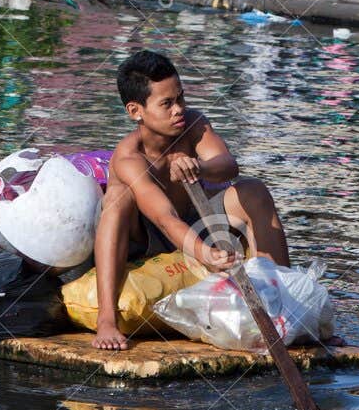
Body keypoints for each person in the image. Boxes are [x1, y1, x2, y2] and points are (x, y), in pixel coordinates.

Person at [91, 49, 291, 352]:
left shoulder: (194, 123)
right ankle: (106, 318)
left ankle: (285, 306)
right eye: (167, 104)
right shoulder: (129, 158)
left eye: (181, 98)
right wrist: (205, 254)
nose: (179, 110)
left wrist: (200, 167)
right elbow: (164, 217)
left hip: (193, 220)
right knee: (116, 202)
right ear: (136, 111)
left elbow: (228, 165)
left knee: (254, 190)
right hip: (148, 235)